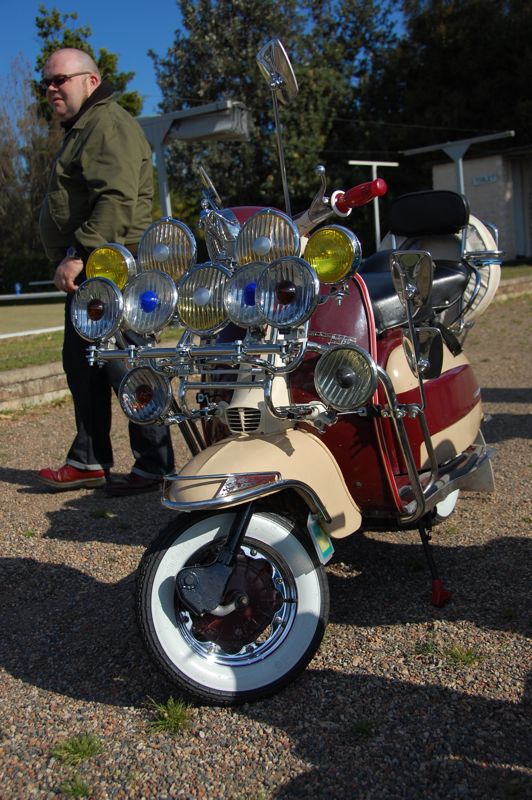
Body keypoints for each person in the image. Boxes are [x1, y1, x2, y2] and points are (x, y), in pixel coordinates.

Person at [37, 48, 174, 496]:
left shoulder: (106, 123)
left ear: (91, 81)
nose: (52, 88)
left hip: (113, 266)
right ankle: (90, 459)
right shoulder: (84, 128)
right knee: (85, 367)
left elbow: (116, 199)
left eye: (60, 79)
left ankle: (155, 465)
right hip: (94, 270)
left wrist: (80, 252)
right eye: (47, 83)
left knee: (127, 366)